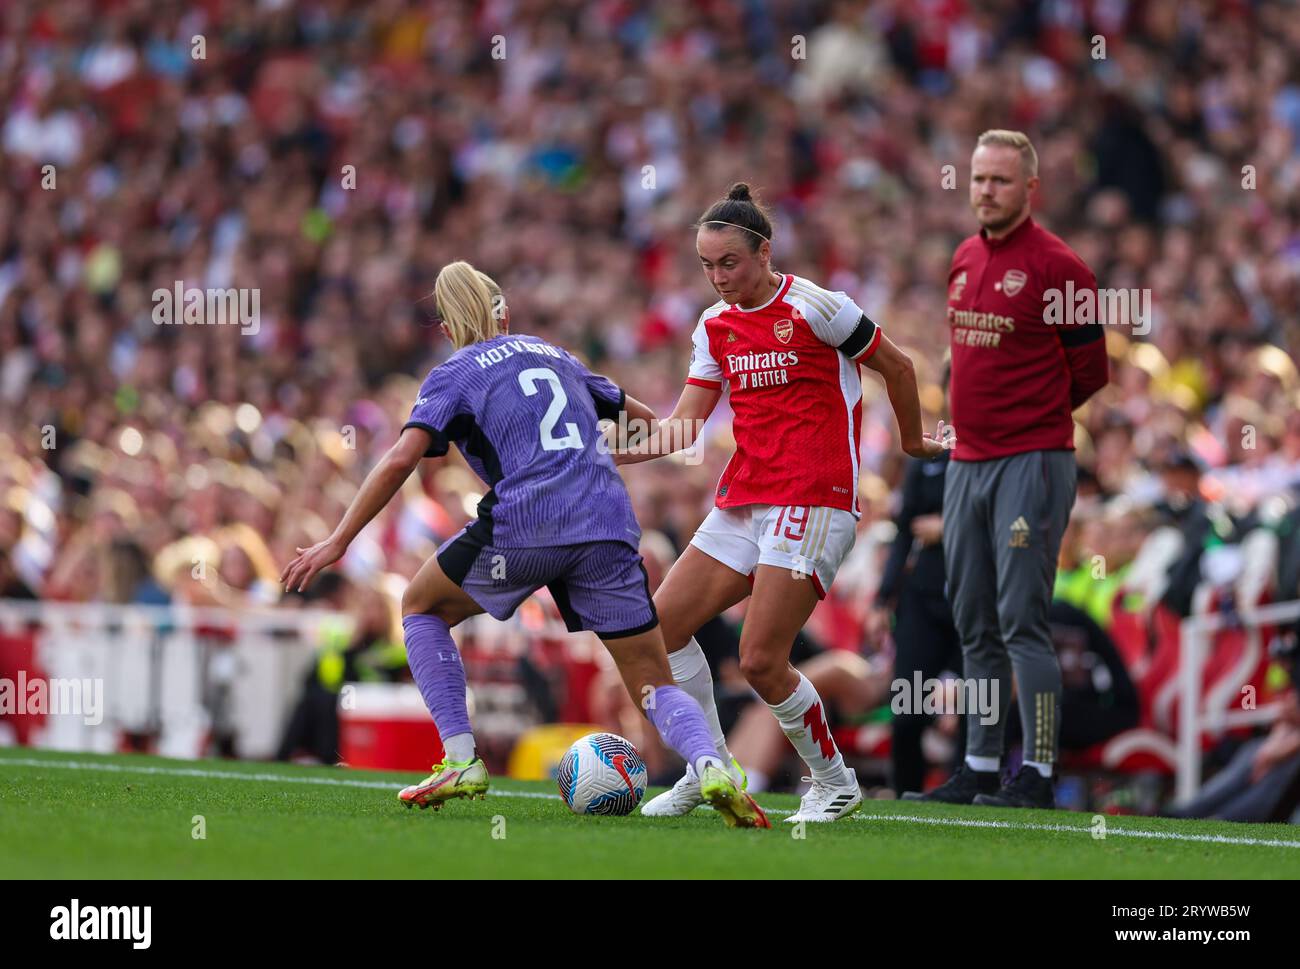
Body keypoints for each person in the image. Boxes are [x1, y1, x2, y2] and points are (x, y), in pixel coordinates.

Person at [282, 261, 768, 828]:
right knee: (653, 681)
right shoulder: (559, 356)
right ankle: (713, 765)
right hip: (606, 521)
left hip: (527, 522)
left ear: (446, 327)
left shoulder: (453, 373)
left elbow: (399, 459)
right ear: (504, 315)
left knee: (419, 607)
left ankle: (462, 761)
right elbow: (660, 429)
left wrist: (339, 540)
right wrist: (600, 455)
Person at [617, 183, 942, 822]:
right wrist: (607, 455)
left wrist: (912, 442)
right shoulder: (715, 326)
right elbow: (684, 427)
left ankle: (836, 782)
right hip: (746, 496)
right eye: (707, 266)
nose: (717, 278)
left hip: (817, 498)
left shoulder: (819, 308)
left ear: (763, 252)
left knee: (761, 659)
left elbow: (898, 368)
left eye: (729, 263)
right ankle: (710, 764)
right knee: (660, 630)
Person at [906, 130, 1108, 808]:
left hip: (1032, 461)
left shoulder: (1061, 267)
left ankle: (1041, 770)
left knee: (1023, 616)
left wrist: (1033, 419)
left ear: (1030, 188)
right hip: (967, 460)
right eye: (978, 178)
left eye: (1000, 179)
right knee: (974, 620)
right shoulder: (963, 258)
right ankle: (980, 763)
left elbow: (1091, 370)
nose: (986, 190)